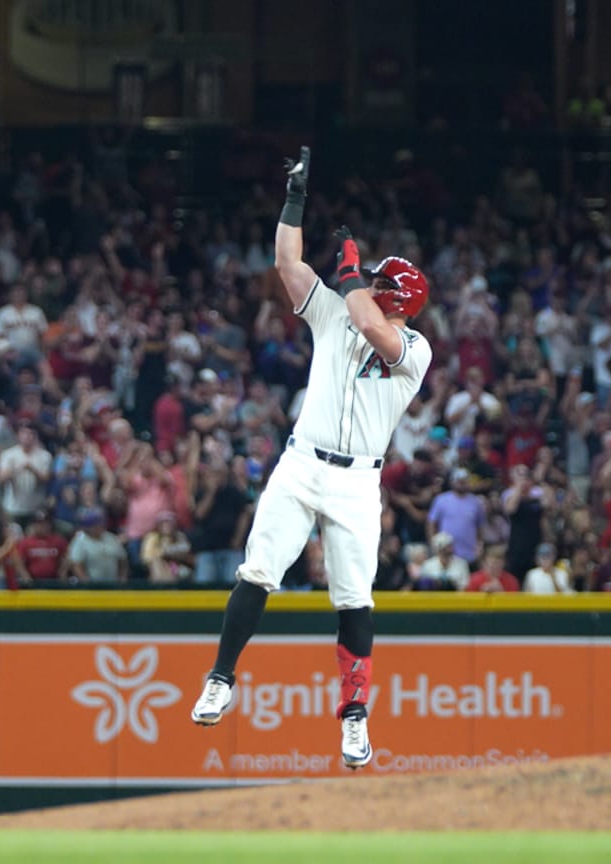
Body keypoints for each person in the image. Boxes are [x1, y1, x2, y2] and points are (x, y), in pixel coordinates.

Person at [191, 146, 432, 771]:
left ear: (399, 299)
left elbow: (372, 325)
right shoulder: (335, 310)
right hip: (302, 464)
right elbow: (287, 261)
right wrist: (294, 200)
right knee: (257, 570)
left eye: (383, 283)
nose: (371, 284)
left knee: (355, 600)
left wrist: (352, 274)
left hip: (358, 483)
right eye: (370, 279)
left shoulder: (413, 345)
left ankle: (355, 720)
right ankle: (220, 677)